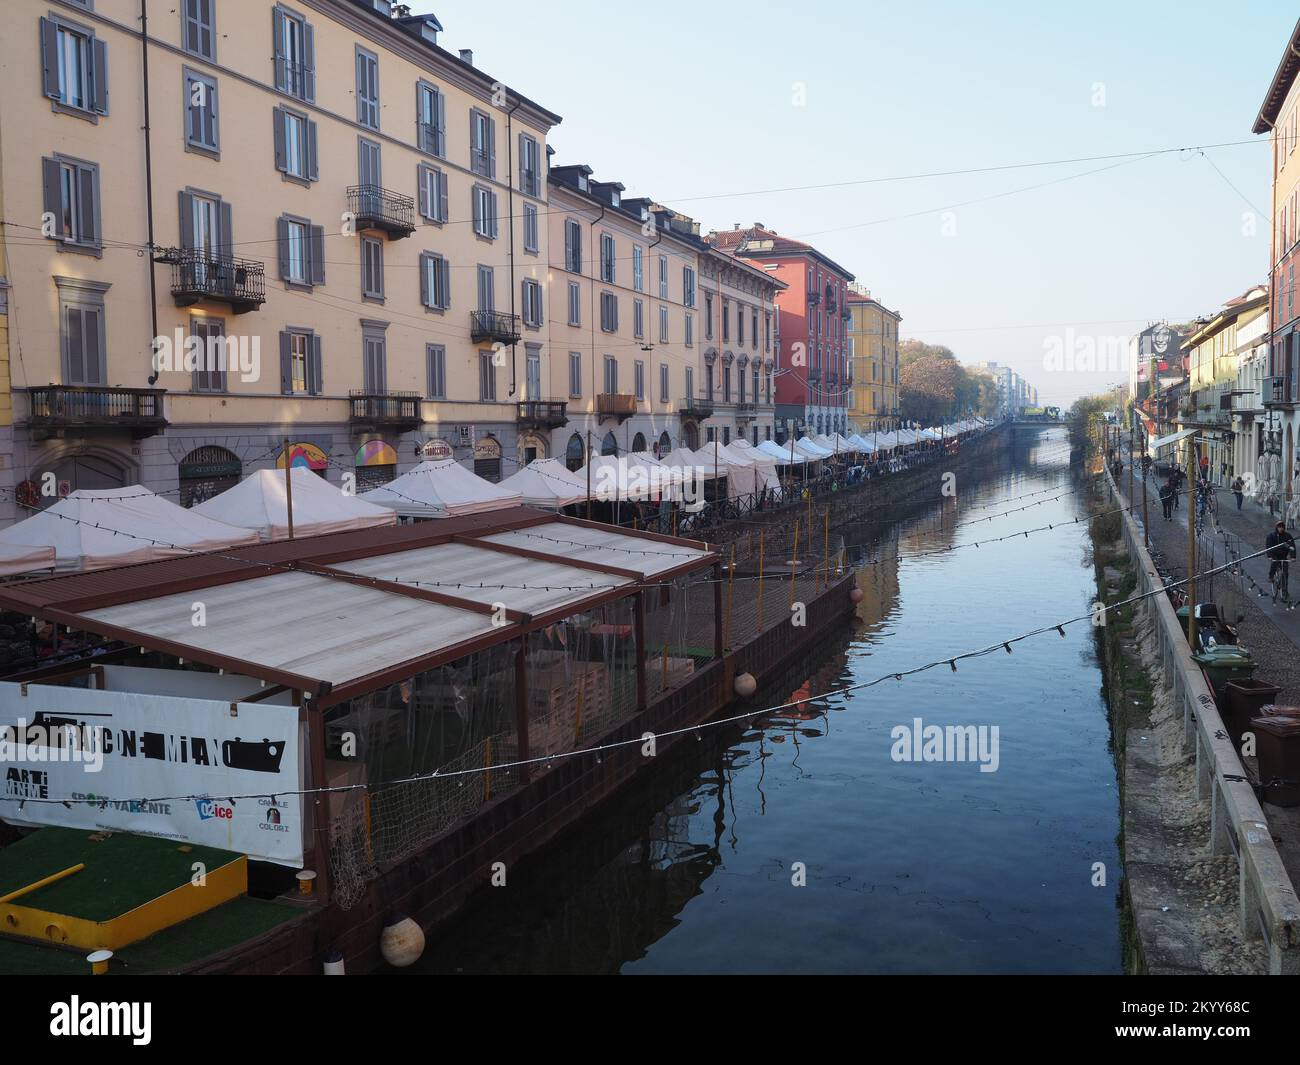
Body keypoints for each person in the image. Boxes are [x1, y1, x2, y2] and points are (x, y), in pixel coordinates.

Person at [1266, 521, 1296, 596]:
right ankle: (1271, 576)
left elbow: (1292, 546)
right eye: (1279, 527)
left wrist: (1293, 557)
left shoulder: (1288, 536)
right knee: (1274, 563)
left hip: (1283, 556)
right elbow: (1269, 546)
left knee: (1285, 574)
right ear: (1276, 528)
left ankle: (1284, 590)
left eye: (1282, 527)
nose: (1281, 529)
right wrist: (1269, 556)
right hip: (1275, 555)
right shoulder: (1271, 536)